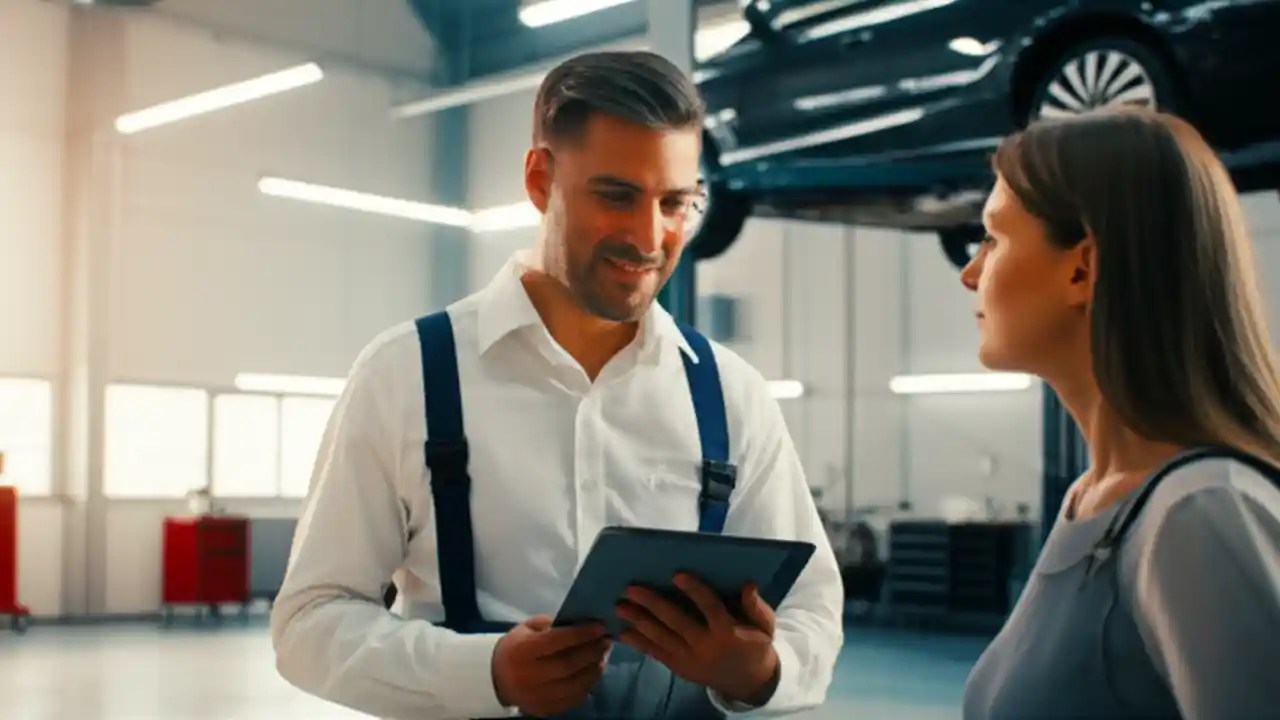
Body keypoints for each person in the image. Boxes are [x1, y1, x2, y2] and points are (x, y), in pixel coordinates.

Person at [270, 50, 844, 720]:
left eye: (674, 203)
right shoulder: (406, 376)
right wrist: (485, 673)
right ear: (541, 180)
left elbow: (812, 610)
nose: (649, 236)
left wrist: (763, 671)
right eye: (616, 196)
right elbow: (310, 621)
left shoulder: (729, 394)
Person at [959, 106, 1280, 719]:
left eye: (994, 239)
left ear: (1082, 267)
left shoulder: (1197, 510)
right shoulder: (1094, 500)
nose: (970, 273)